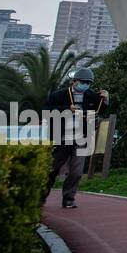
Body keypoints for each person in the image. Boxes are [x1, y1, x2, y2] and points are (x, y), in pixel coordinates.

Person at [41, 67, 109, 209]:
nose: (85, 85)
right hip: (61, 137)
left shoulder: (91, 95)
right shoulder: (59, 95)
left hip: (81, 138)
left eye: (88, 83)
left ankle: (69, 198)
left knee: (77, 172)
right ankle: (41, 196)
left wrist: (106, 99)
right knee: (52, 169)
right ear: (74, 81)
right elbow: (46, 110)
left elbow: (100, 109)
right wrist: (66, 109)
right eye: (83, 82)